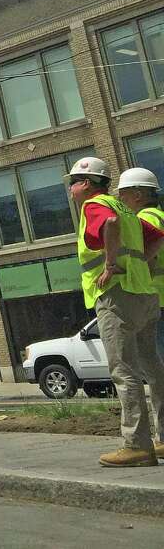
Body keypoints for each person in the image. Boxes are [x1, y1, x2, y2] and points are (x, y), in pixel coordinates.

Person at [68, 157, 164, 466]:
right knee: (153, 368)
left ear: (85, 184)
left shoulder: (94, 206)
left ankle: (136, 445)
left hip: (117, 295)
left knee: (124, 370)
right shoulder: (125, 207)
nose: (70, 189)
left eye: (72, 183)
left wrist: (110, 265)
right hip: (144, 294)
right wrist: (142, 265)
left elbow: (108, 226)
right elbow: (157, 237)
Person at [117, 166, 164, 451]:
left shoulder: (146, 219)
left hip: (157, 299)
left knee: (157, 370)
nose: (120, 199)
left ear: (137, 194)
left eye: (122, 194)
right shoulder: (158, 215)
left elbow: (150, 252)